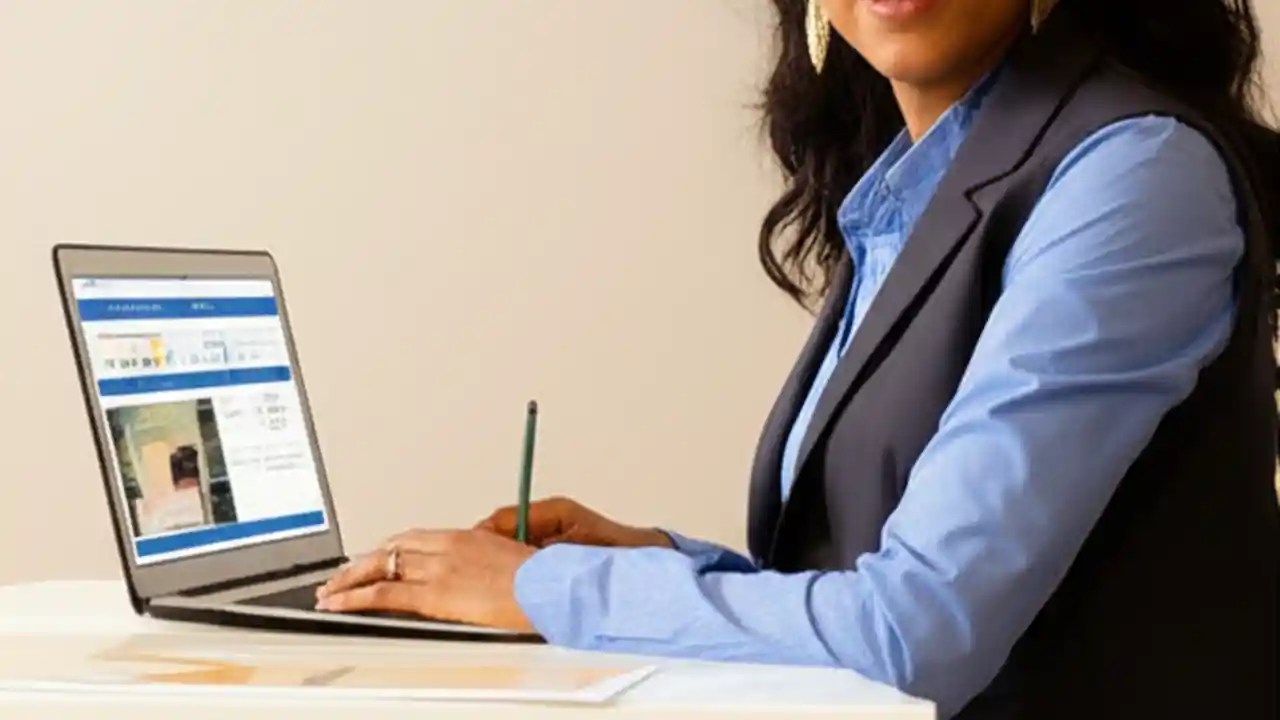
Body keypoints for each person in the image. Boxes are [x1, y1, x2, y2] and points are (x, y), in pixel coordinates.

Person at [316, 1, 1280, 717]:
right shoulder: (913, 188)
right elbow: (880, 578)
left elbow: (913, 634)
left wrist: (537, 591)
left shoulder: (1131, 176)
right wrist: (661, 564)